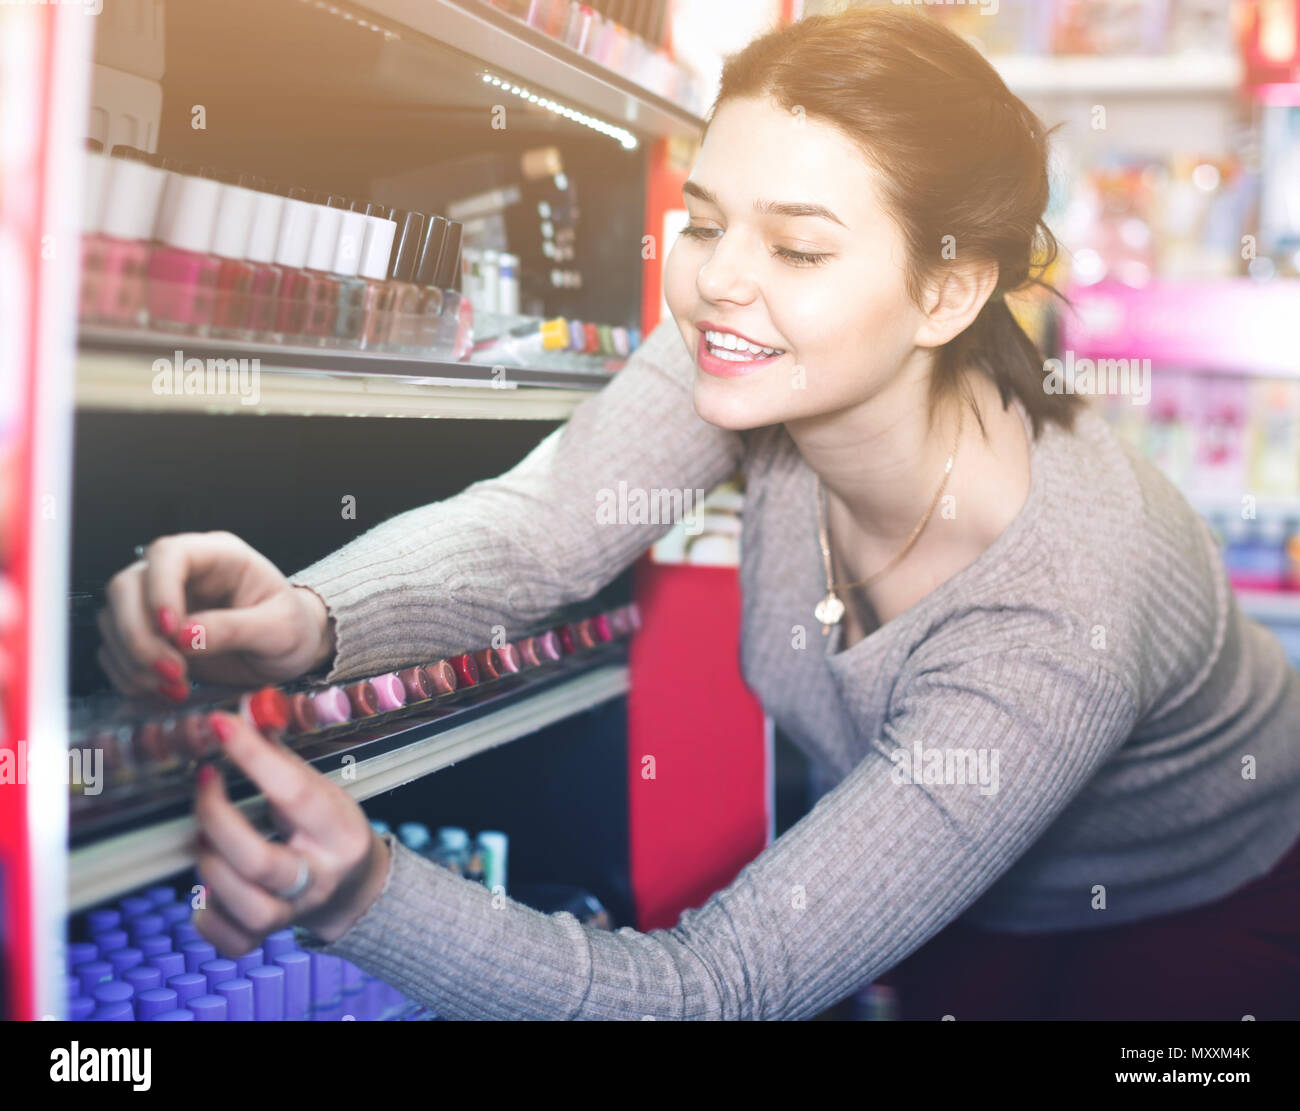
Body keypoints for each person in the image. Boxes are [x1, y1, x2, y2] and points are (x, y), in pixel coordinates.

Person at [96, 8, 1300, 1020]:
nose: (722, 278)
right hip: (965, 894)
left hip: (1198, 912)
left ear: (945, 288)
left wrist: (364, 894)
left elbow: (713, 989)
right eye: (710, 221)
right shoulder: (758, 348)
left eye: (799, 246)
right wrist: (306, 617)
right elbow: (540, 528)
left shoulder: (1062, 600)